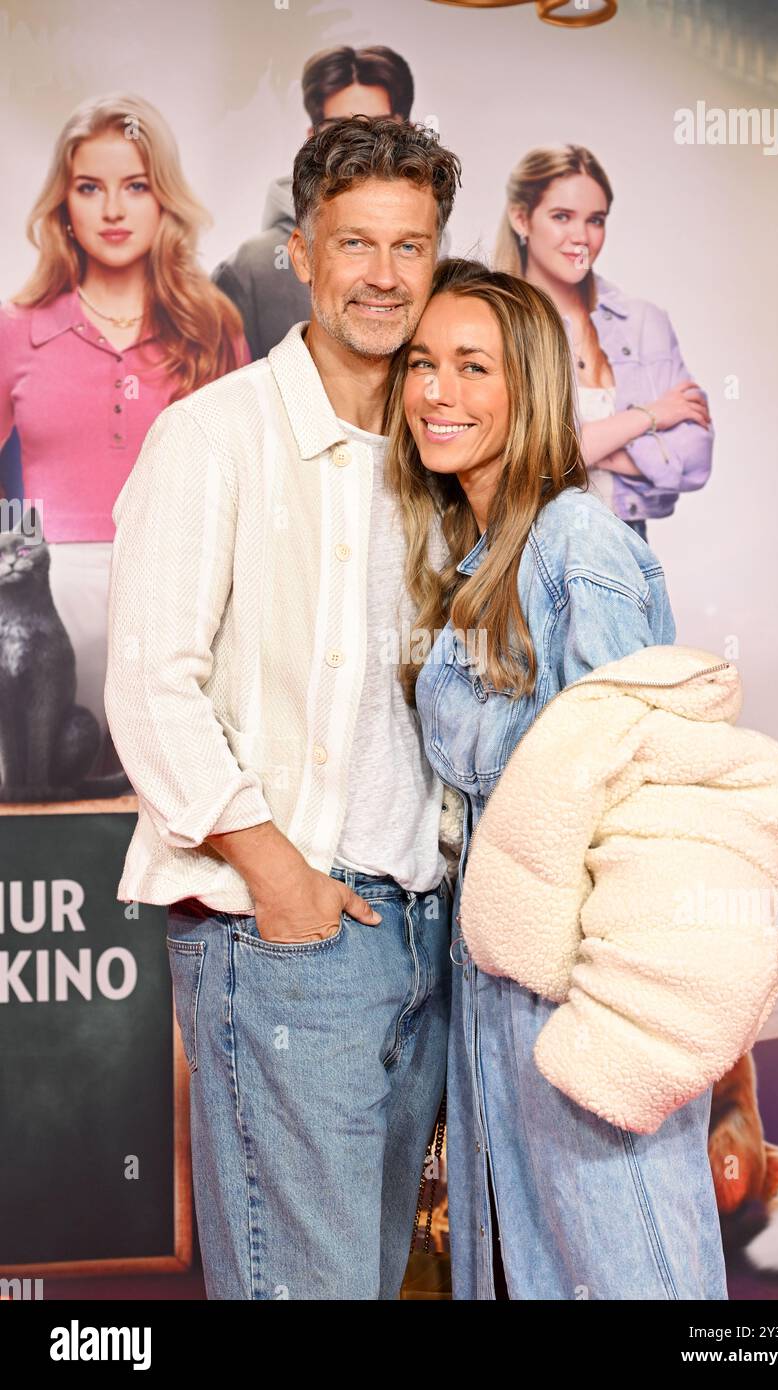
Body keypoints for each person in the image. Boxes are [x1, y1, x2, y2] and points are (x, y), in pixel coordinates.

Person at [104, 116, 463, 1300]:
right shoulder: (211, 439)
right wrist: (282, 880)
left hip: (420, 931)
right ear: (300, 250)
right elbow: (150, 688)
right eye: (353, 242)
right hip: (288, 928)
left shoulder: (441, 451)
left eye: (409, 246)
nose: (382, 275)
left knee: (365, 1274)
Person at [386, 256, 729, 1299]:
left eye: (470, 366)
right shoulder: (477, 551)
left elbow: (641, 794)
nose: (435, 392)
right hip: (500, 1007)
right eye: (420, 363)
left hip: (584, 1014)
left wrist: (613, 1033)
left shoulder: (576, 542)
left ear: (527, 385)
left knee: (637, 1278)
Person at [0, 93, 249, 780]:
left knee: (175, 813)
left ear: (162, 198)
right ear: (64, 205)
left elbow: (251, 476)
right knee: (63, 815)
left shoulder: (212, 323)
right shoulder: (15, 328)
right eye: (90, 187)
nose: (113, 210)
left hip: (184, 597)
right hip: (50, 607)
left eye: (135, 186)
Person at [494, 145, 713, 540]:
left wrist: (586, 449)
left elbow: (696, 456)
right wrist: (649, 417)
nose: (581, 237)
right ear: (521, 218)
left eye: (595, 220)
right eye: (562, 217)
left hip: (627, 549)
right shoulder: (493, 322)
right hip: (526, 551)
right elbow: (520, 460)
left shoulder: (643, 322)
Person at [212, 45, 417, 360]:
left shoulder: (446, 261)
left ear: (409, 129)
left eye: (380, 128)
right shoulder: (252, 270)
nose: (360, 147)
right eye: (339, 130)